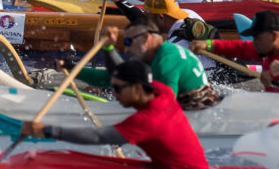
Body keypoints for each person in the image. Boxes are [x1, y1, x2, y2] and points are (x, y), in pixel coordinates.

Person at [22, 58, 209, 169]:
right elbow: (123, 70)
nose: (115, 93)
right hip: (178, 168)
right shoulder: (163, 92)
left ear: (137, 88)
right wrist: (109, 48)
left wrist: (48, 131)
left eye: (118, 89)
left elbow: (98, 136)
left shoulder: (147, 120)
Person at [77, 22, 220, 109]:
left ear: (145, 38)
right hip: (193, 106)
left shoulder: (166, 62)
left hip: (200, 115)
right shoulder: (153, 54)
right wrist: (70, 68)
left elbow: (165, 110)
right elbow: (116, 76)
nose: (126, 49)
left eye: (128, 42)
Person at [195, 12, 279, 97]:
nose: (254, 42)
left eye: (256, 37)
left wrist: (276, 82)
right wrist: (207, 44)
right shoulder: (266, 50)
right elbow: (239, 48)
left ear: (274, 36)